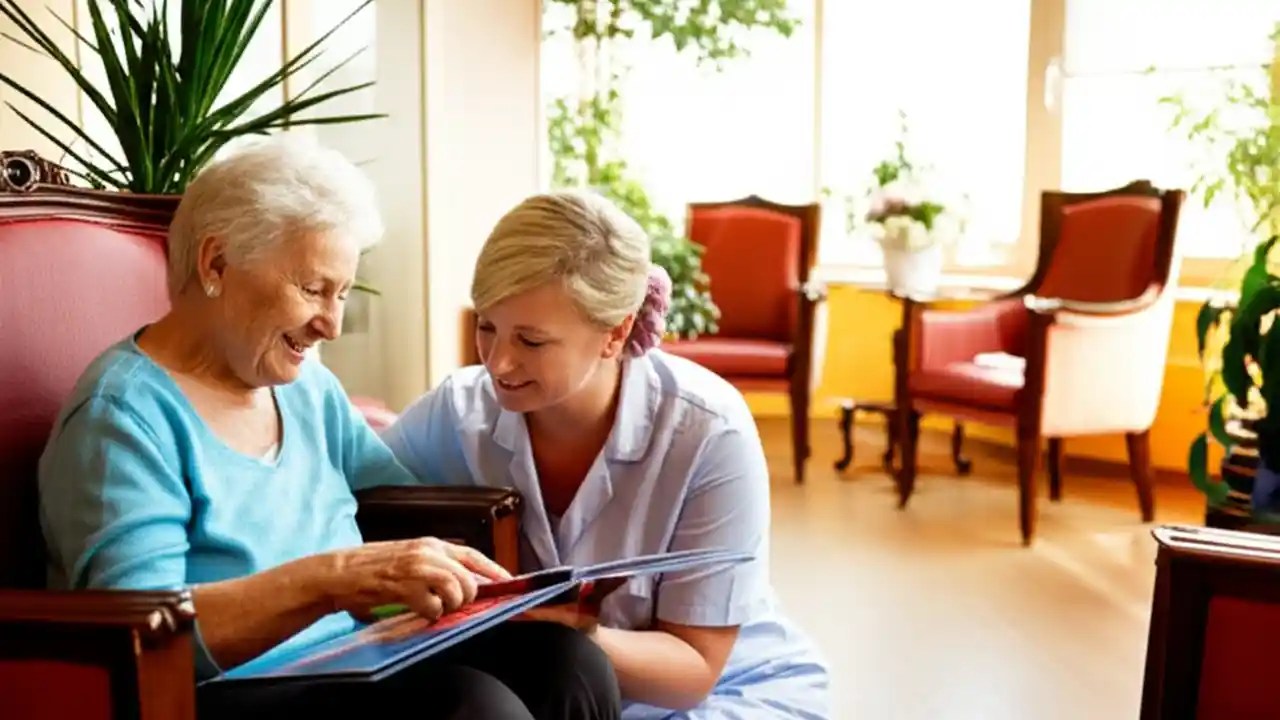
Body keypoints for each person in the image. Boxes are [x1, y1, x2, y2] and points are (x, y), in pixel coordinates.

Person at [36, 136, 621, 720]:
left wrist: (504, 585)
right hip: (220, 696)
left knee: (567, 663)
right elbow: (142, 636)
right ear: (216, 263)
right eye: (313, 289)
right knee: (470, 709)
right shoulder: (123, 417)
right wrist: (331, 580)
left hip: (353, 657)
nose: (333, 325)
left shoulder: (305, 387)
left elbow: (407, 504)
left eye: (342, 294)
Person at [381, 190, 831, 719]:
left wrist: (558, 628)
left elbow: (693, 670)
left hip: (719, 691)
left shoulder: (707, 431)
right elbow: (351, 500)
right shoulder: (456, 414)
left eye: (531, 341)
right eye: (487, 326)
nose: (498, 362)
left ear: (615, 332)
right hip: (555, 689)